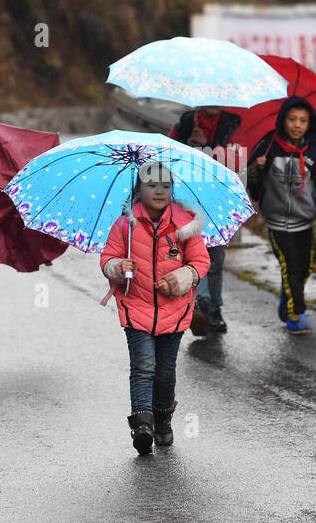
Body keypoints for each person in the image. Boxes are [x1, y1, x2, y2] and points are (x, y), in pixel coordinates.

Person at [100, 161, 210, 454]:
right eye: (152, 185)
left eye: (166, 186)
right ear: (139, 189)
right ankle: (142, 425)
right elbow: (107, 259)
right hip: (136, 308)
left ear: (173, 190)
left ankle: (162, 419)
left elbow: (200, 263)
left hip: (174, 313)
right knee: (143, 367)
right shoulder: (126, 224)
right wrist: (117, 266)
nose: (159, 191)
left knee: (164, 372)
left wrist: (178, 280)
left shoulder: (186, 224)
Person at [246, 95, 316, 334]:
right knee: (291, 267)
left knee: (304, 268)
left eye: (303, 120)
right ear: (282, 120)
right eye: (292, 119)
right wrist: (256, 167)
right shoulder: (268, 146)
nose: (297, 125)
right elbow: (252, 186)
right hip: (276, 223)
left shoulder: (313, 152)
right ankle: (296, 315)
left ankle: (288, 304)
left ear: (309, 124)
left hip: (305, 223)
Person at [168, 105, 242, 336]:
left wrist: (210, 147)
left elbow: (237, 163)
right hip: (187, 199)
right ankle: (201, 304)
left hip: (216, 200)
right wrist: (187, 147)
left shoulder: (234, 124)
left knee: (216, 258)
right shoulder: (185, 124)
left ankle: (214, 306)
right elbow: (167, 157)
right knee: (192, 255)